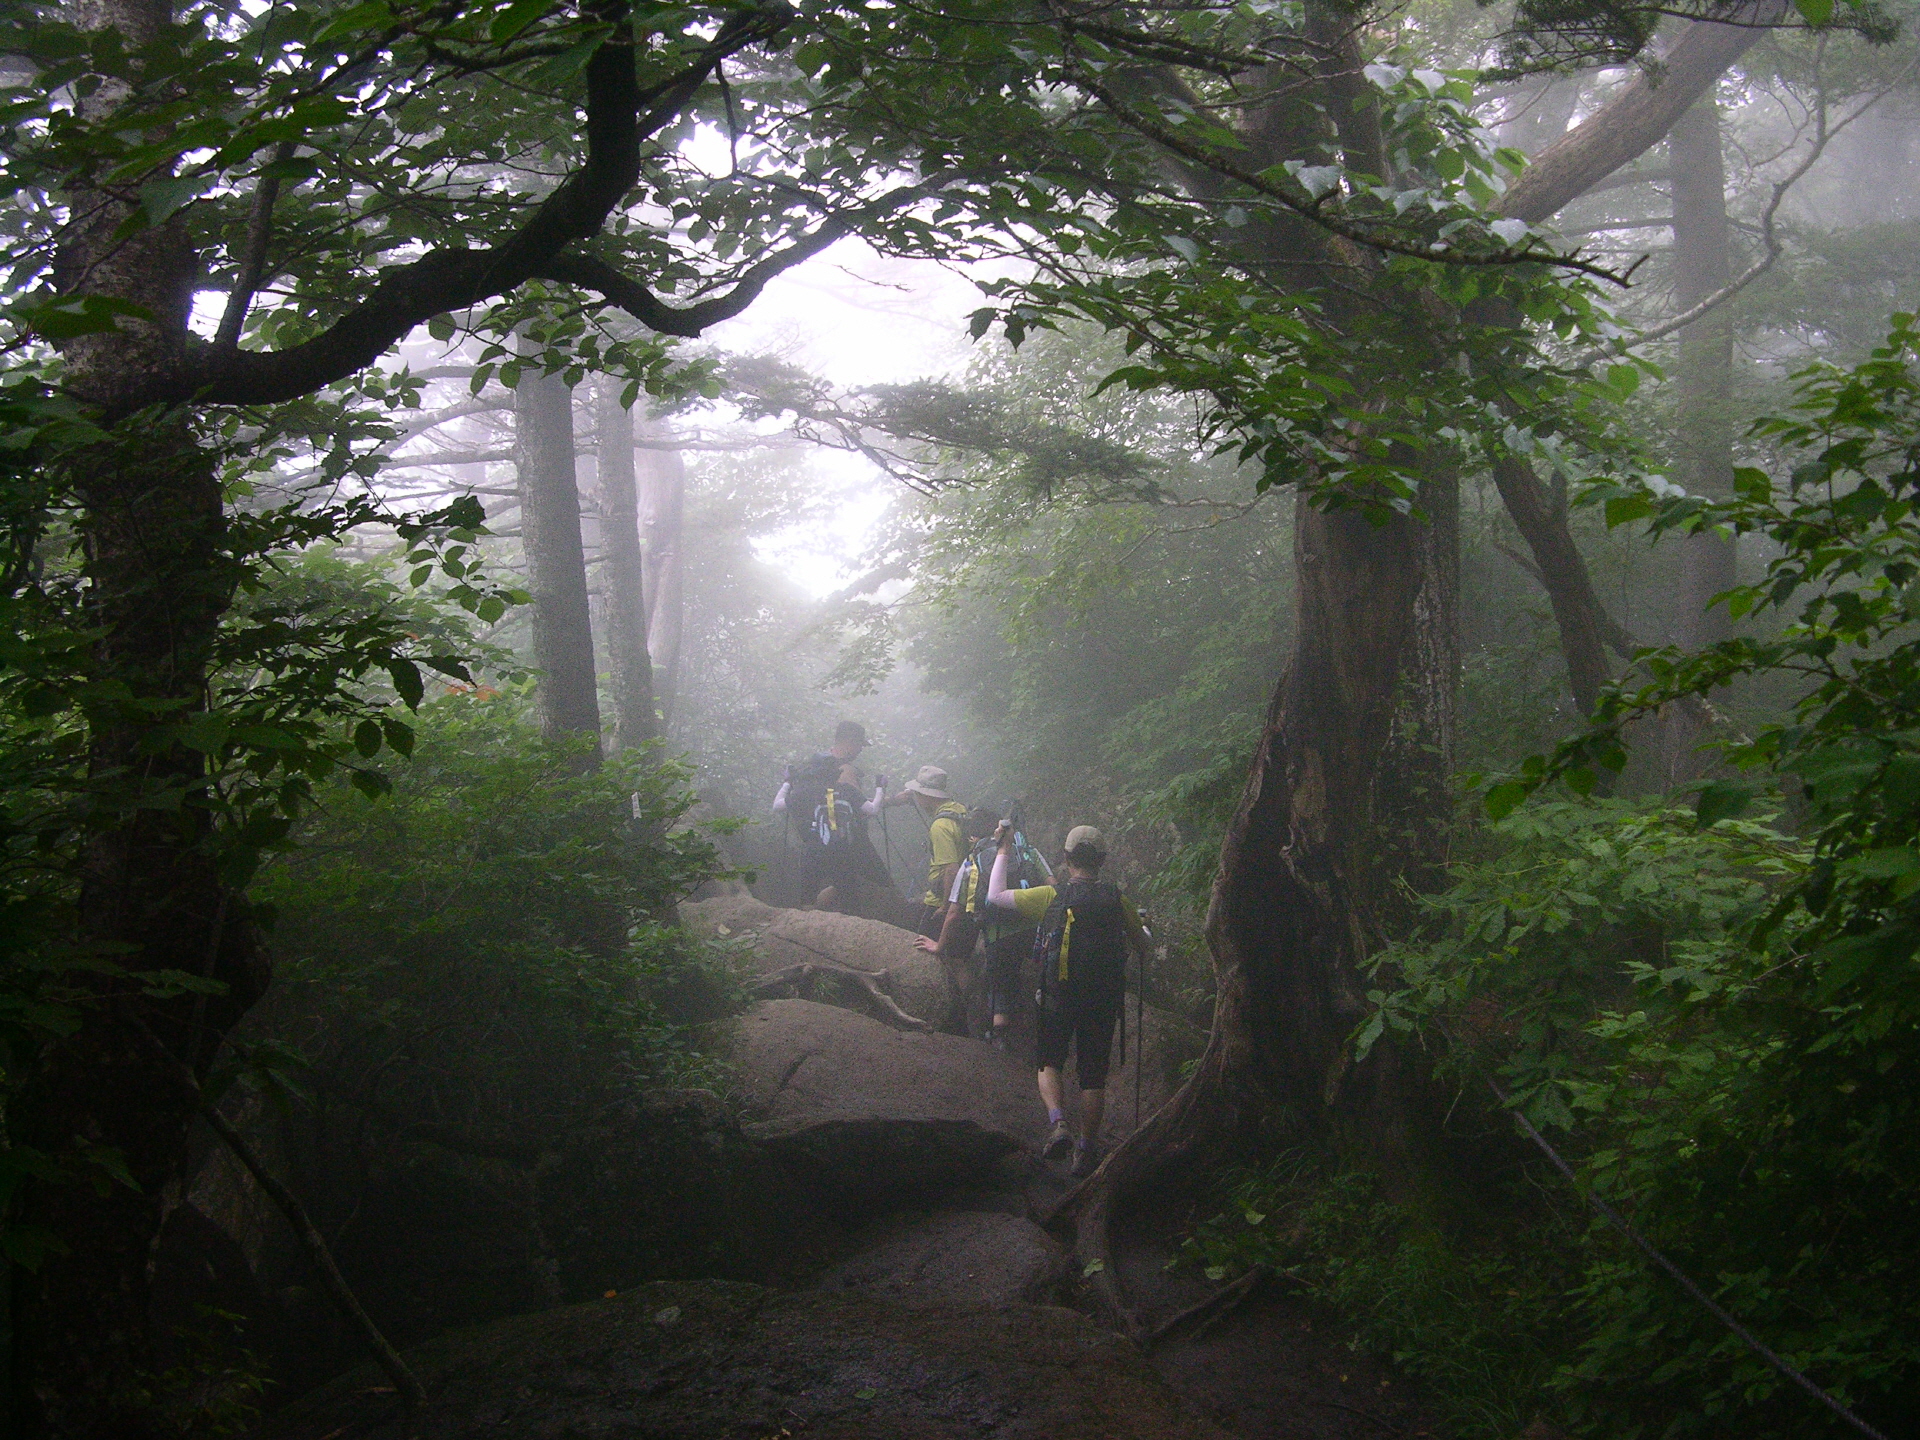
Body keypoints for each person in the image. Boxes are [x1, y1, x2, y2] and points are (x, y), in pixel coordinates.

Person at [985, 821, 1149, 1178]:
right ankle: (1085, 1152)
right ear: (1102, 859)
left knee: (1049, 1062)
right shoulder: (1117, 899)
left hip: (1058, 995)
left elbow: (994, 897)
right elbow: (1144, 947)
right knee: (1093, 1077)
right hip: (1102, 1001)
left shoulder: (1052, 898)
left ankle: (1058, 1123)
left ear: (1066, 856)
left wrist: (1003, 849)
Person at [919, 810, 1052, 1047]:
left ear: (972, 838)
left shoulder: (973, 862)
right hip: (1035, 931)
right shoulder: (1028, 852)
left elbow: (954, 912)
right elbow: (1054, 887)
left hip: (998, 935)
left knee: (999, 983)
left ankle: (998, 1037)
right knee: (1042, 977)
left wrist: (939, 945)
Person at [772, 721, 886, 911]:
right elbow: (872, 810)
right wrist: (880, 787)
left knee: (808, 897)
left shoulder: (806, 792)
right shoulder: (847, 789)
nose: (860, 750)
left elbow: (777, 806)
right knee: (849, 895)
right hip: (843, 849)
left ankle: (805, 926)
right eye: (859, 744)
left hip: (813, 849)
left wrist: (787, 783)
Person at [880, 765, 969, 940]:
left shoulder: (940, 826)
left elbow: (950, 870)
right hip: (965, 897)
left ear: (925, 795)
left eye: (917, 794)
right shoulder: (960, 810)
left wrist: (944, 908)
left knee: (923, 947)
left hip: (941, 901)